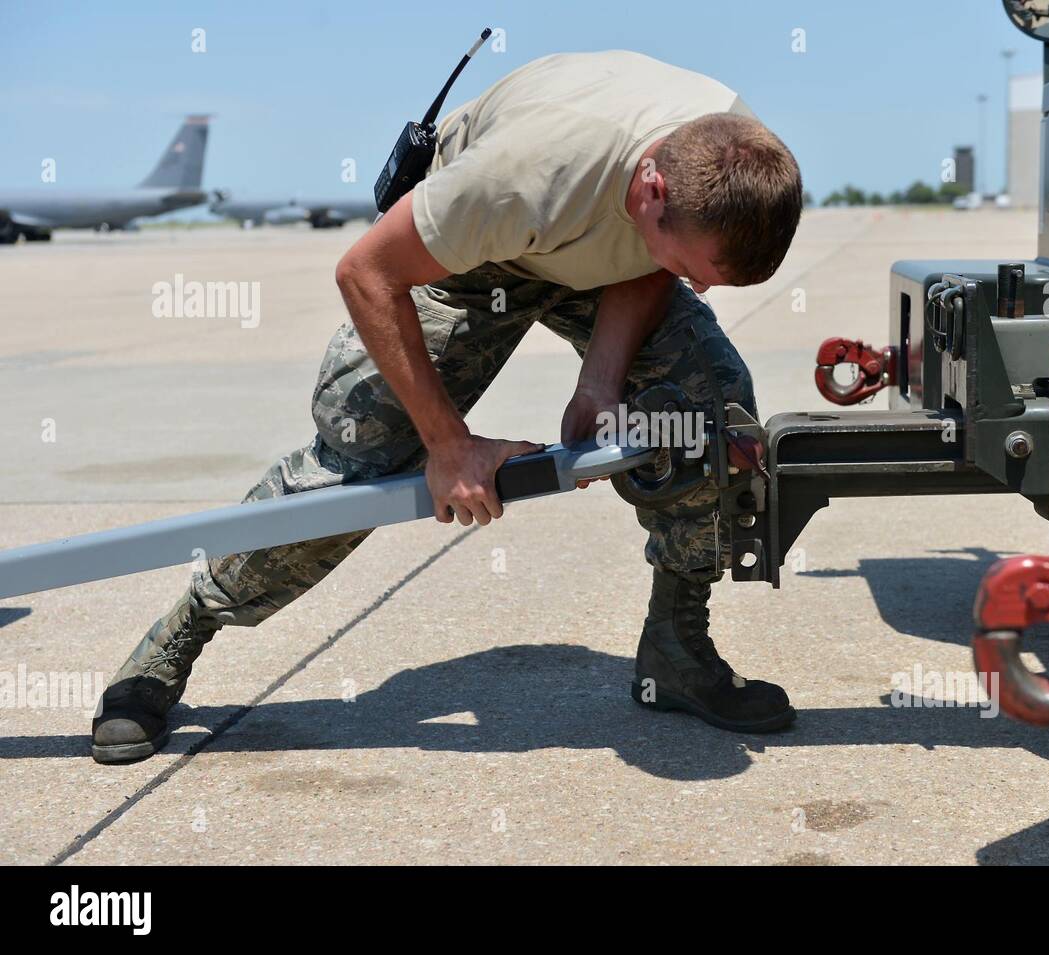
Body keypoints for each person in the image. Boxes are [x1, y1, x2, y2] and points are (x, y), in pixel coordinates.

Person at [92, 50, 804, 764]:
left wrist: (602, 381)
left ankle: (676, 651)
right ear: (651, 190)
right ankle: (176, 638)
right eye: (692, 272)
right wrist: (447, 445)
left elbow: (649, 258)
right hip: (475, 256)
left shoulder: (731, 156)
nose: (698, 292)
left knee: (709, 407)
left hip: (596, 240)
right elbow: (366, 272)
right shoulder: (520, 177)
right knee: (366, 449)